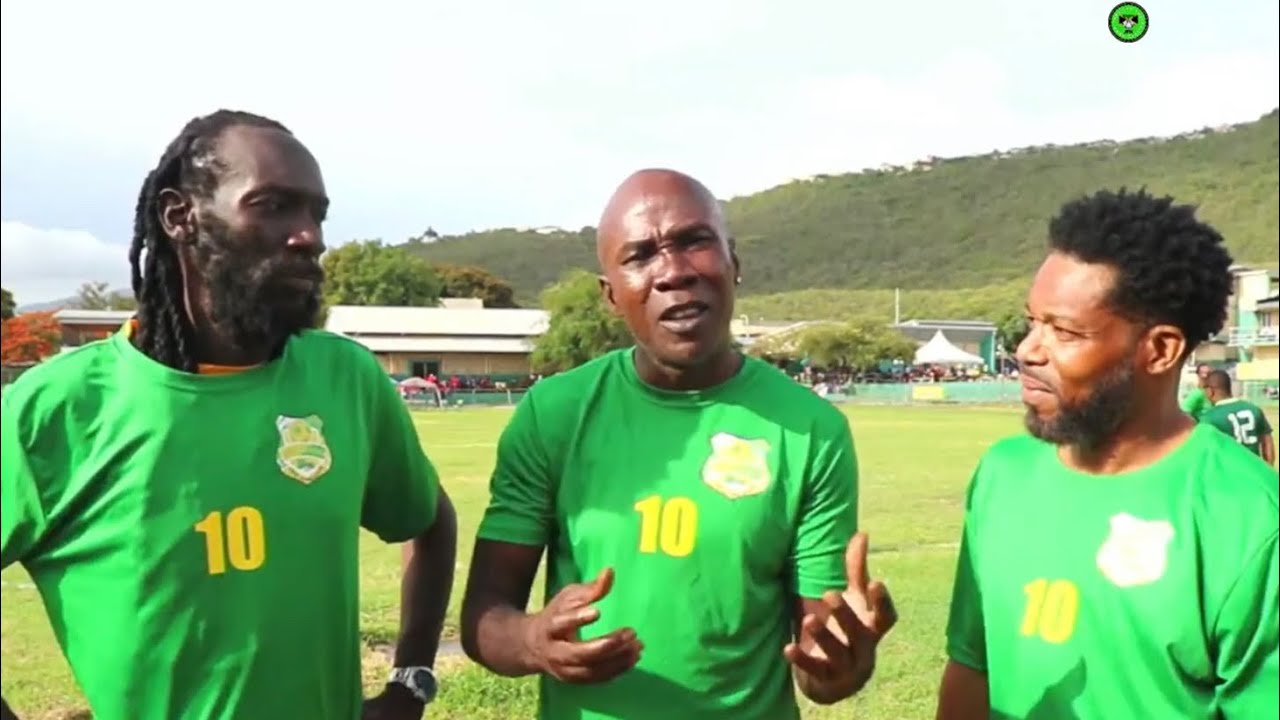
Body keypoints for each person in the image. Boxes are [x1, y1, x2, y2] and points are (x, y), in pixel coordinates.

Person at [0, 110, 457, 720]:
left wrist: (410, 683)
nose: (309, 236)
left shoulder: (346, 378)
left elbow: (428, 520)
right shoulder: (57, 407)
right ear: (179, 216)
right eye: (273, 206)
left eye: (317, 214)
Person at [459, 169, 896, 720]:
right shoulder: (554, 414)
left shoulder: (811, 429)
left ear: (733, 261)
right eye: (641, 255)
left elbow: (815, 658)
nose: (674, 272)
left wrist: (840, 666)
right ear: (611, 295)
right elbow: (484, 616)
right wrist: (531, 642)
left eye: (694, 241)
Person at [936, 188, 1279, 719]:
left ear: (1160, 350)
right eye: (1033, 321)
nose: (1028, 350)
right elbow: (971, 665)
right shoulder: (1002, 474)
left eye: (1064, 331)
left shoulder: (1252, 520)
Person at [1201, 369, 1275, 465]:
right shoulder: (1254, 409)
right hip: (1254, 471)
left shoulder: (1209, 417)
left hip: (1229, 473)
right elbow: (1267, 442)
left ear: (1210, 391)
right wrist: (1268, 470)